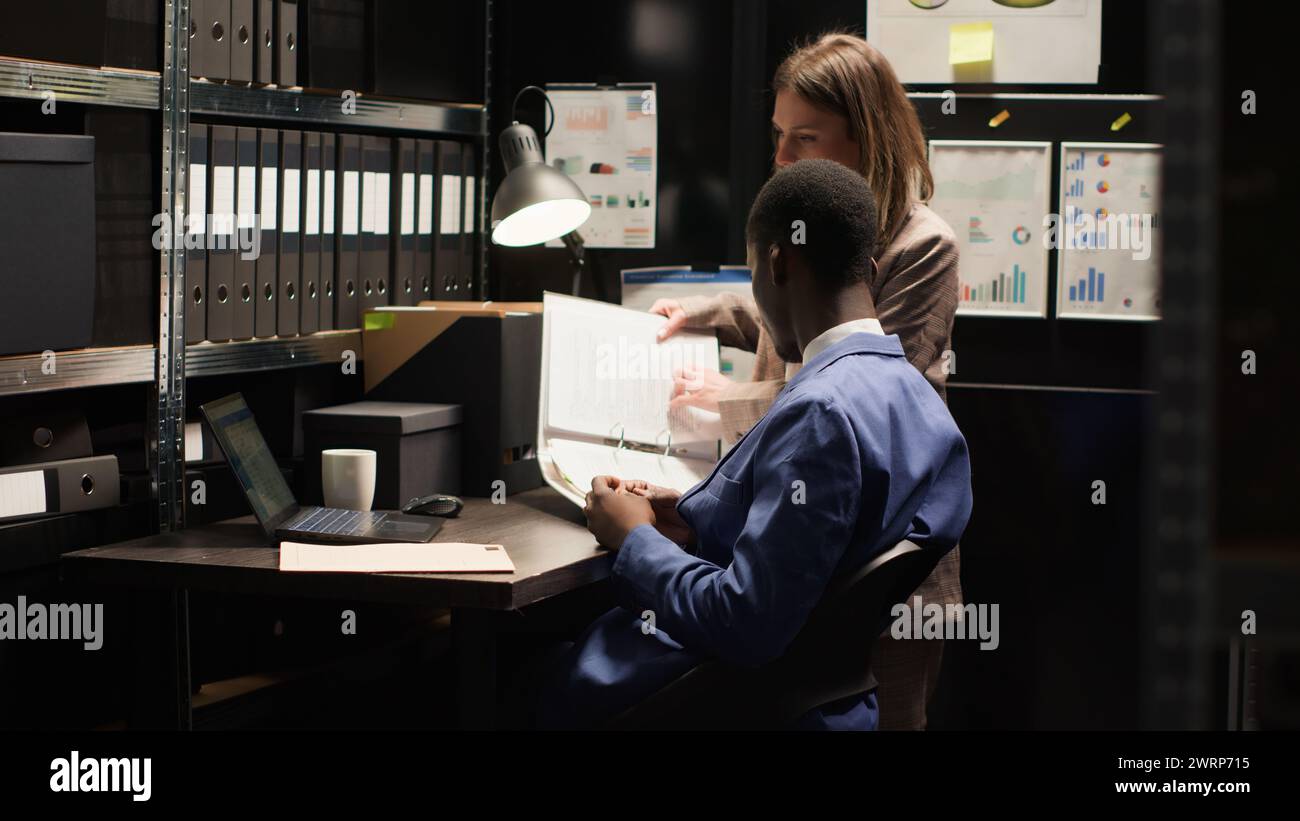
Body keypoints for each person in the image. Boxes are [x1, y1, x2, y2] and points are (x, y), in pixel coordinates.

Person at [535, 159, 972, 730]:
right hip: (829, 705)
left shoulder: (821, 411)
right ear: (866, 268)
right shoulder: (912, 397)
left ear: (776, 261)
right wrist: (691, 520)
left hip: (726, 701)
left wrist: (635, 536)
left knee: (513, 672)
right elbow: (821, 542)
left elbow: (744, 620)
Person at [651, 33, 962, 730]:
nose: (782, 160)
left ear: (867, 142)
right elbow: (787, 311)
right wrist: (711, 309)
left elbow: (861, 399)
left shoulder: (921, 246)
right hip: (796, 555)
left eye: (806, 139)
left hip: (886, 592)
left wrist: (718, 404)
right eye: (778, 137)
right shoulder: (809, 229)